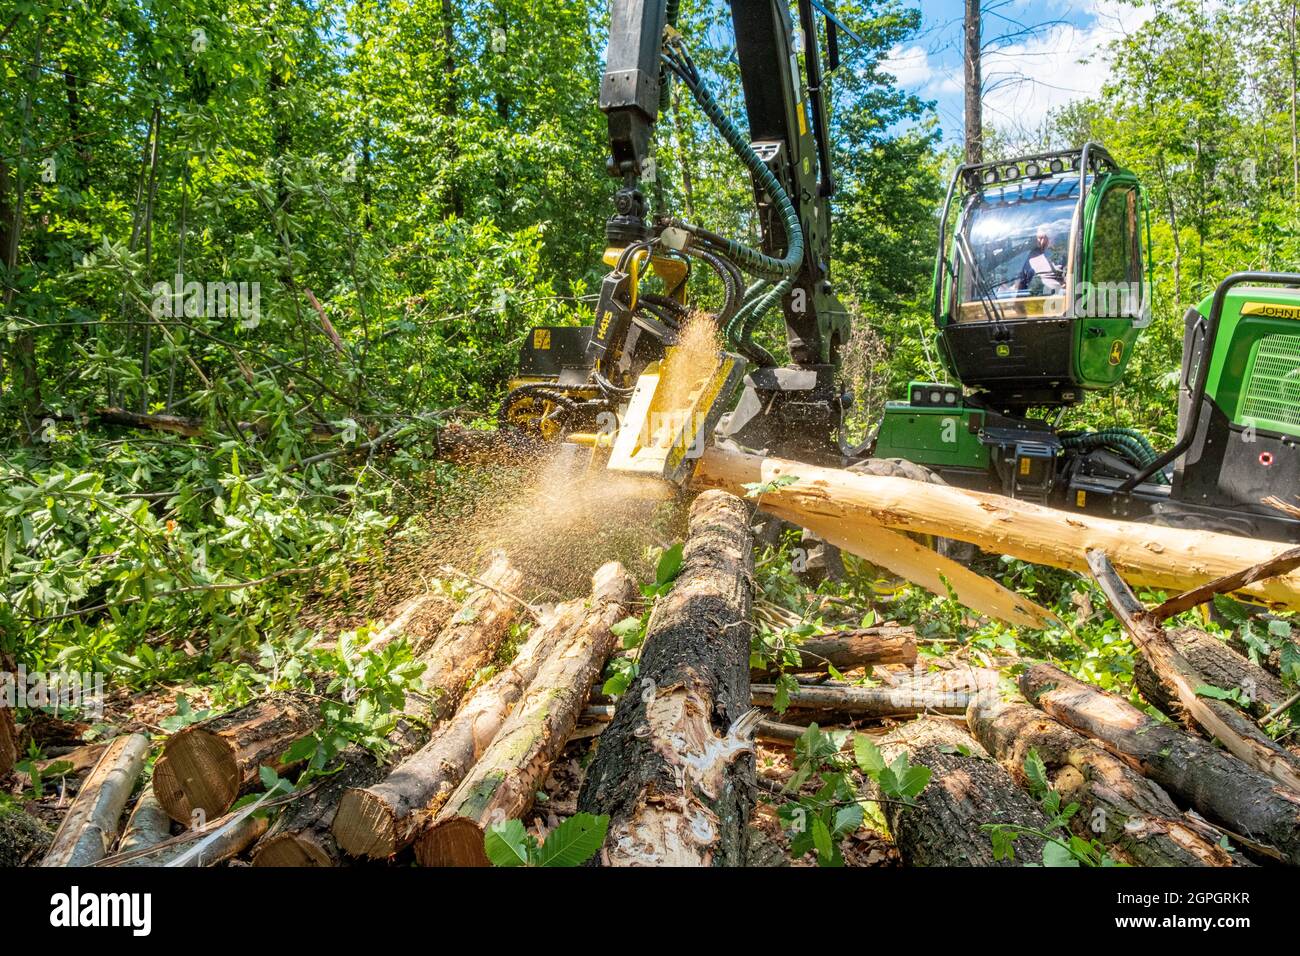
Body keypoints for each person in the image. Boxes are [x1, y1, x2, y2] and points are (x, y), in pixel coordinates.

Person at [1017, 225, 1064, 294]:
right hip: (1034, 297)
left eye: (1044, 238)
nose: (1040, 242)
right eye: (1039, 238)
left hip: (1059, 297)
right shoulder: (1032, 256)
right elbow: (1022, 281)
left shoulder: (1062, 254)